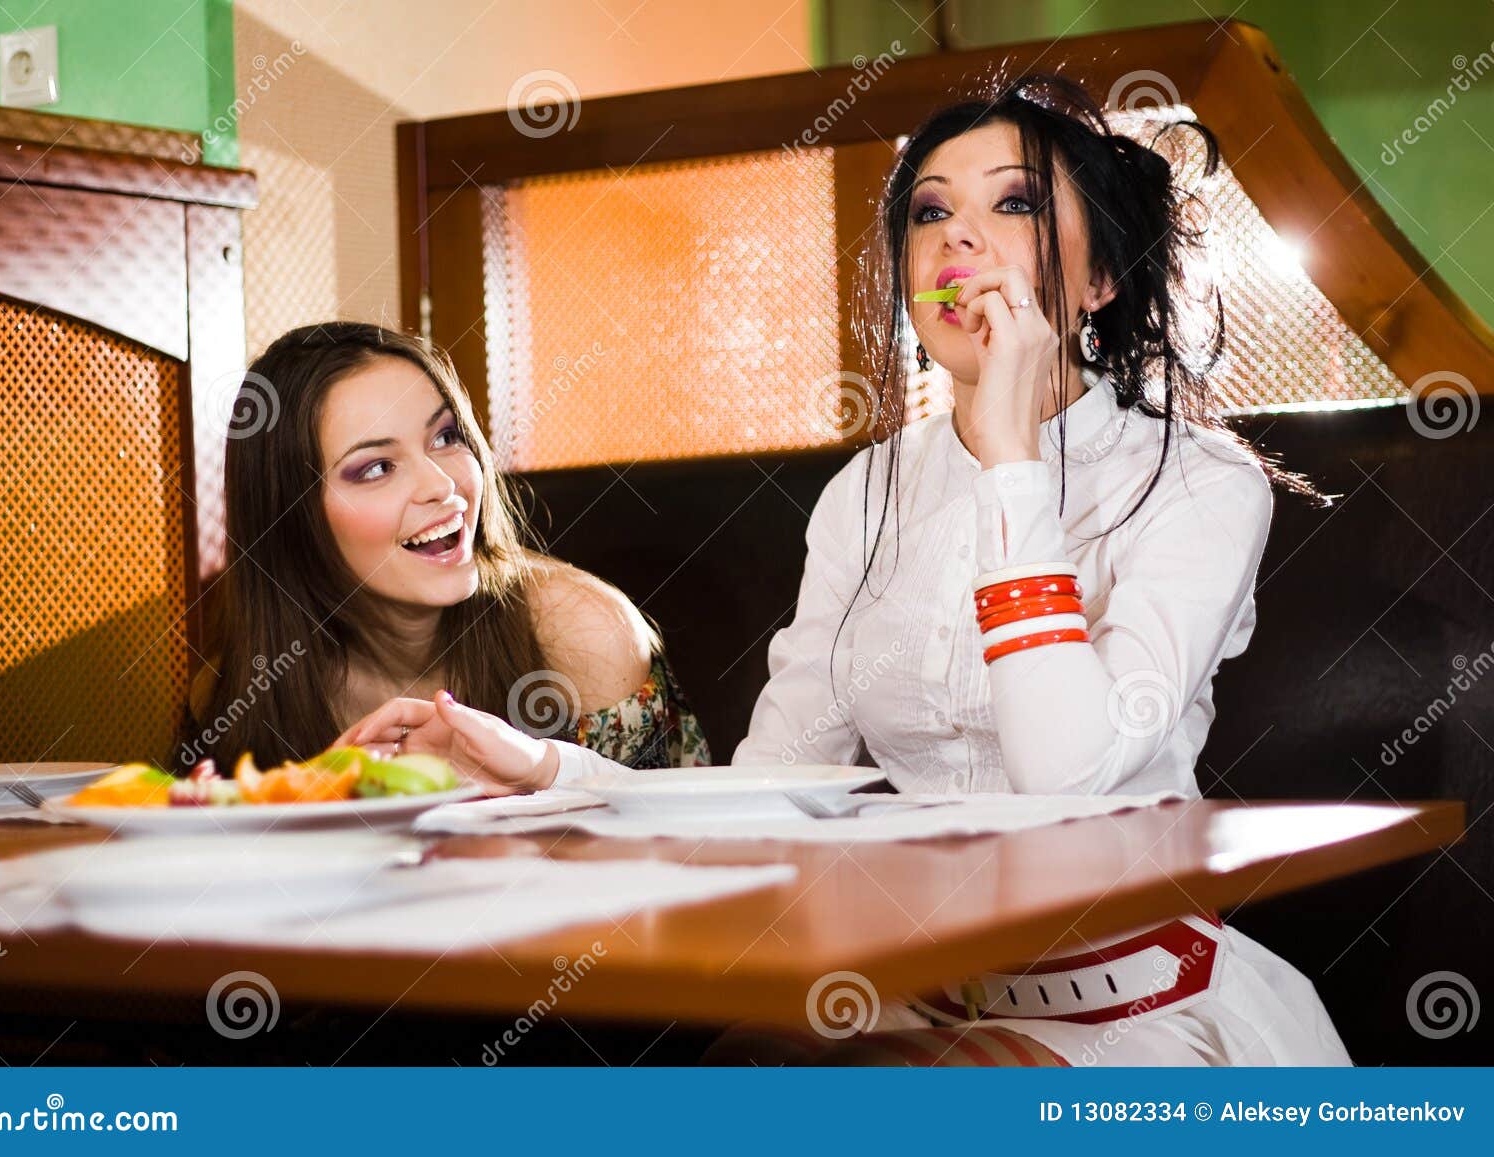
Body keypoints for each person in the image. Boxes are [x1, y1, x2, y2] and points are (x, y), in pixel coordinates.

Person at [342, 74, 1351, 1066]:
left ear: (1098, 281)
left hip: (1138, 1011)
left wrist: (1010, 463)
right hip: (913, 1000)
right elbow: (771, 796)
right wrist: (545, 771)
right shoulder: (864, 494)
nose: (956, 236)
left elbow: (1067, 770)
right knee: (740, 1073)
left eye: (1014, 203)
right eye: (928, 212)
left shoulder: (1201, 480)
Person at [178, 322, 708, 782]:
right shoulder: (240, 691)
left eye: (445, 436)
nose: (442, 485)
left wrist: (542, 772)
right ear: (292, 518)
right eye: (377, 467)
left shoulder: (583, 634)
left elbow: (680, 857)